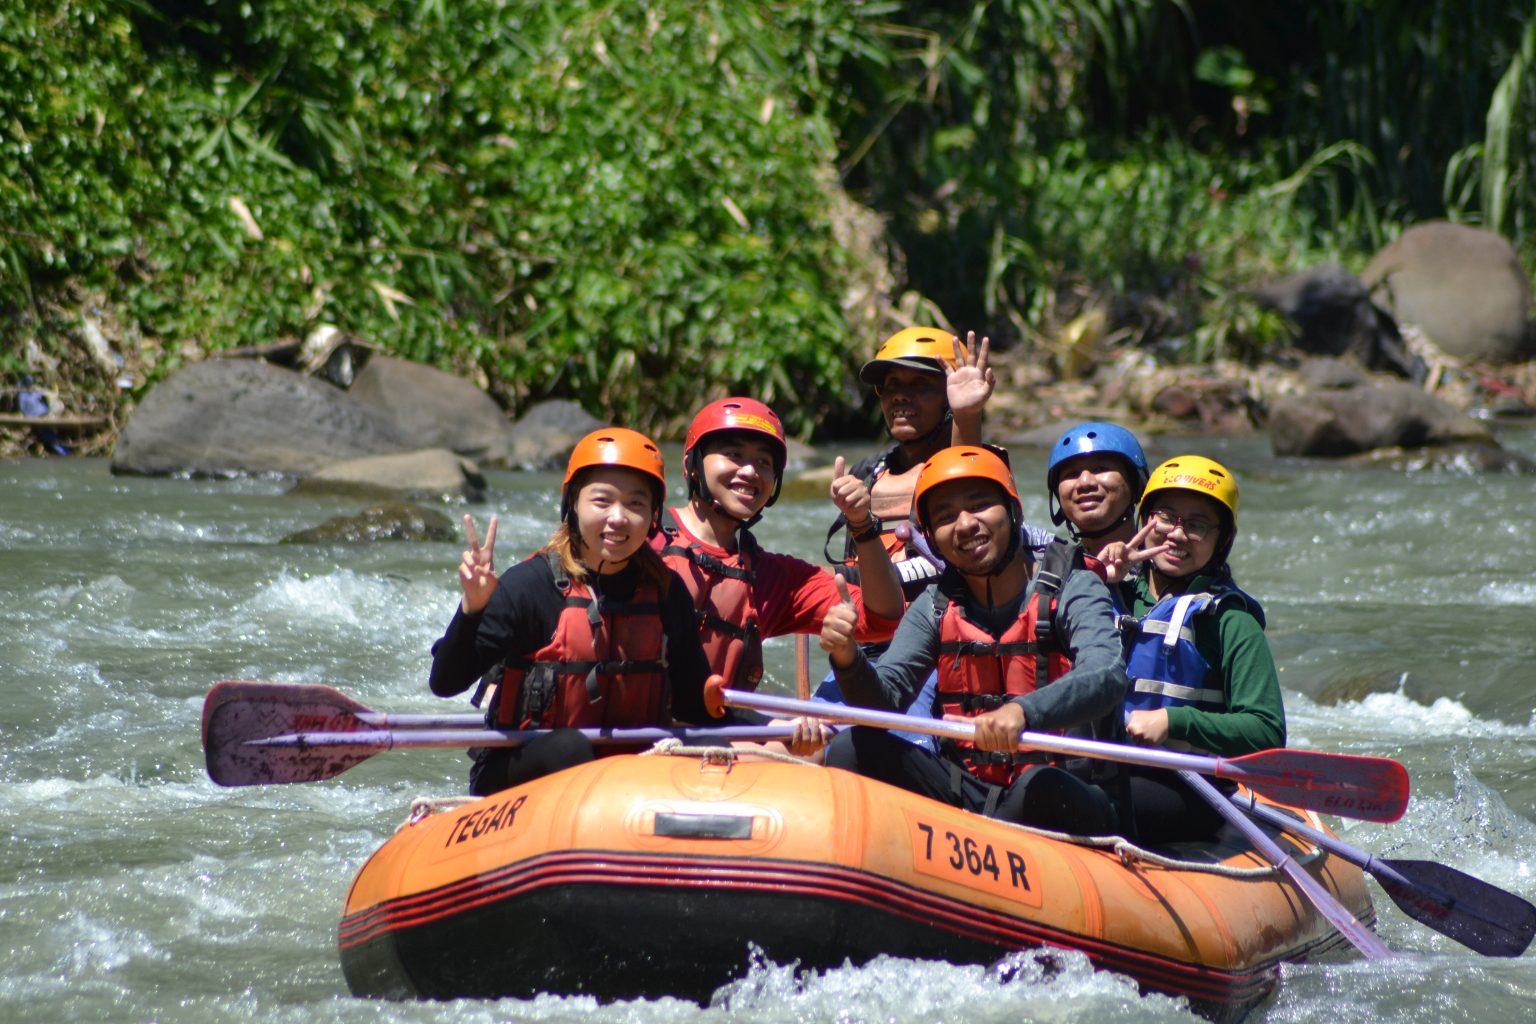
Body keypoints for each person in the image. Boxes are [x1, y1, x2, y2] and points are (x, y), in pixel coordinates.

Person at [820, 445, 1129, 834]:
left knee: (1039, 786)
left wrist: (1023, 712)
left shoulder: (1073, 587)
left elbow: (1106, 673)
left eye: (980, 505)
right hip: (969, 791)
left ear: (1014, 513)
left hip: (1065, 790)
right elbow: (885, 700)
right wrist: (847, 657)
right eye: (946, 517)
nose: (965, 524)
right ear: (931, 535)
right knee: (854, 747)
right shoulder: (935, 606)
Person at [427, 427, 732, 796]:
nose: (618, 518)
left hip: (627, 779)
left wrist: (779, 727)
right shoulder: (530, 586)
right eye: (602, 501)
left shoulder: (666, 593)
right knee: (570, 748)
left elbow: (694, 708)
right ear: (572, 504)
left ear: (653, 515)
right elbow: (444, 683)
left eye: (636, 504)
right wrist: (471, 609)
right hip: (524, 773)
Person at [654, 398, 904, 752]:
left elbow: (882, 618)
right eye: (734, 455)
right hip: (637, 733)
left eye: (763, 462)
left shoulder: (772, 576)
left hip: (715, 731)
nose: (750, 471)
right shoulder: (641, 540)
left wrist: (862, 524)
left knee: (812, 748)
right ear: (692, 466)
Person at [1098, 455, 1285, 845]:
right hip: (1101, 767)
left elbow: (1267, 730)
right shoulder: (1104, 593)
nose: (1177, 535)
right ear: (1144, 520)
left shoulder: (1230, 619)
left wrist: (1175, 721)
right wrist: (1093, 582)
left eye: (1197, 525)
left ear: (1221, 542)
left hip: (1189, 789)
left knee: (1076, 799)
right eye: (1165, 517)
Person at [823, 326, 995, 597]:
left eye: (921, 384)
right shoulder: (866, 472)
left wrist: (967, 414)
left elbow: (962, 477)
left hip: (947, 620)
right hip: (878, 621)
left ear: (949, 398)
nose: (900, 395)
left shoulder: (986, 465)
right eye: (890, 385)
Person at [1045, 421, 1162, 587]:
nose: (1084, 483)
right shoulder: (1051, 570)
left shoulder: (1173, 563)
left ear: (1135, 485)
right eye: (1072, 473)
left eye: (1100, 469)